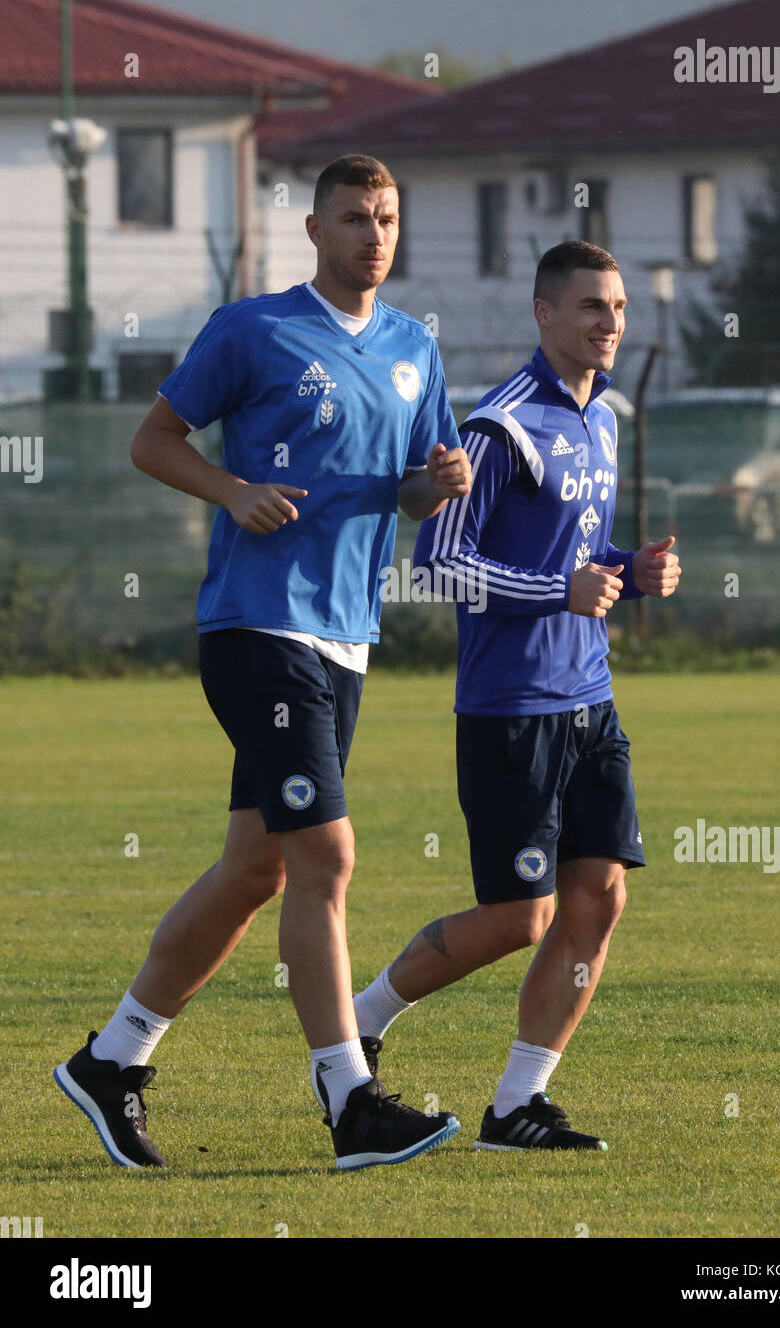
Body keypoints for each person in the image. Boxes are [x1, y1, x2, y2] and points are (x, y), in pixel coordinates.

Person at [54, 154, 472, 1172]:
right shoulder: (254, 329)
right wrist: (231, 488)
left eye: (384, 218)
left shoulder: (416, 347)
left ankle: (113, 1060)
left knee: (256, 868)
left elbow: (410, 494)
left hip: (344, 638)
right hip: (256, 628)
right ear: (314, 231)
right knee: (326, 858)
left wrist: (438, 482)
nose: (372, 234)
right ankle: (349, 1099)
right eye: (351, 217)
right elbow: (155, 441)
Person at [352, 240, 681, 1151]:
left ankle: (517, 1105)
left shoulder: (603, 421)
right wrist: (561, 590)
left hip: (592, 699)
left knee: (599, 899)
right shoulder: (499, 427)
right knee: (517, 917)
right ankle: (363, 1018)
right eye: (589, 307)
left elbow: (576, 559)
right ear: (543, 313)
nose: (609, 323)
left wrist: (630, 571)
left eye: (616, 308)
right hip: (511, 711)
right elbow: (441, 563)